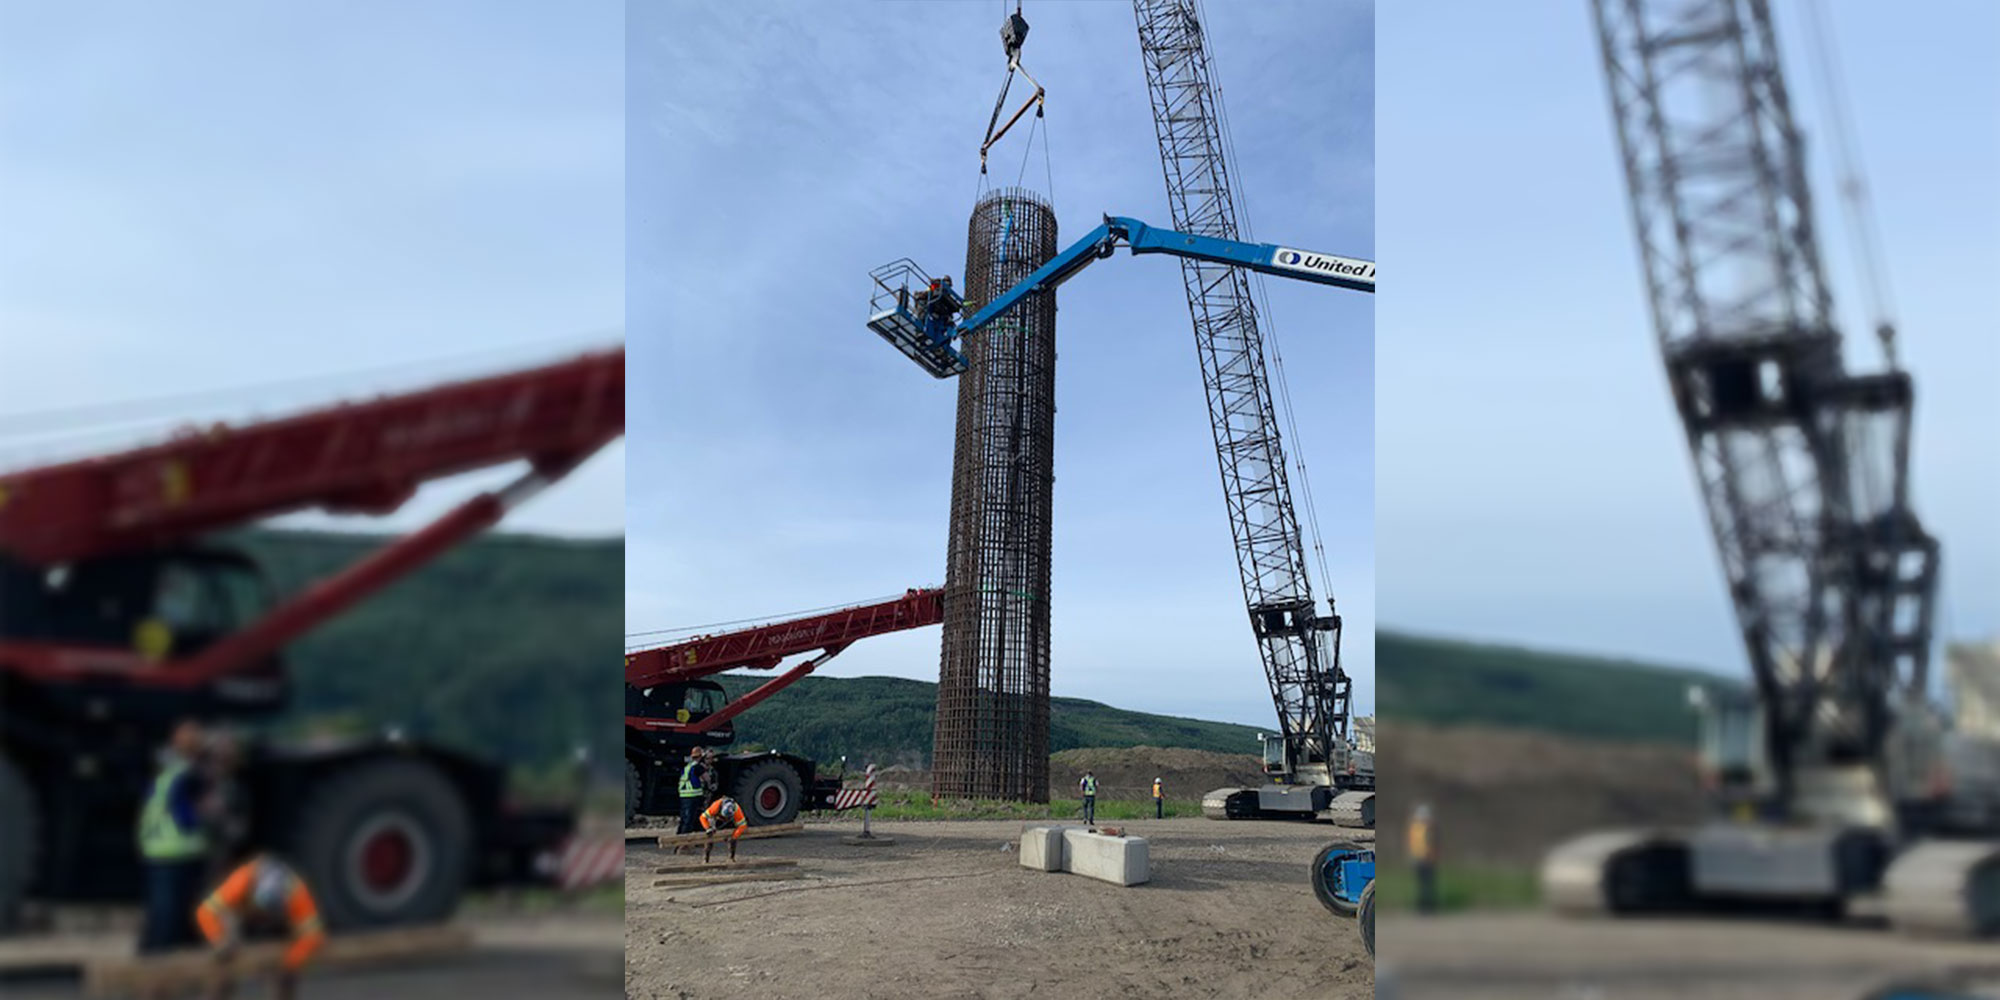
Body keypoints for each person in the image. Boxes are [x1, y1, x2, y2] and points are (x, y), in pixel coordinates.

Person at [196, 853, 324, 1000]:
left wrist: (290, 963)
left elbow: (313, 935)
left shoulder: (296, 892)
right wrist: (219, 940)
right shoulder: (243, 879)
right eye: (261, 912)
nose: (263, 916)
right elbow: (205, 912)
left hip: (279, 929)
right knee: (223, 965)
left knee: (286, 979)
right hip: (237, 928)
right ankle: (219, 991)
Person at [138, 719, 210, 957]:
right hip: (178, 851)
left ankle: (151, 952)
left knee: (161, 911)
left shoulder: (164, 771)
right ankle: (162, 958)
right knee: (174, 912)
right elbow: (186, 817)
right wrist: (205, 815)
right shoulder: (185, 775)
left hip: (157, 850)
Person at [698, 795, 749, 863]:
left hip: (730, 821)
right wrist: (708, 828)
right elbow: (702, 817)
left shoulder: (736, 809)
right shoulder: (716, 806)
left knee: (733, 838)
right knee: (710, 836)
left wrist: (734, 836)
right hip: (715, 818)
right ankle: (706, 858)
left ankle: (731, 857)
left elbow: (742, 825)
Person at [1410, 802, 1439, 915]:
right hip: (1422, 859)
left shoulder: (1419, 828)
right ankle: (1425, 907)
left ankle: (1427, 907)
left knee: (1426, 885)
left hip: (1424, 859)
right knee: (1424, 885)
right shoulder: (1422, 828)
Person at [676, 750, 709, 837]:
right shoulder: (697, 767)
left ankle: (679, 835)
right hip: (693, 796)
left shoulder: (688, 766)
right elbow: (707, 778)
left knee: (684, 818)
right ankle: (686, 838)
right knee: (691, 818)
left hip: (684, 795)